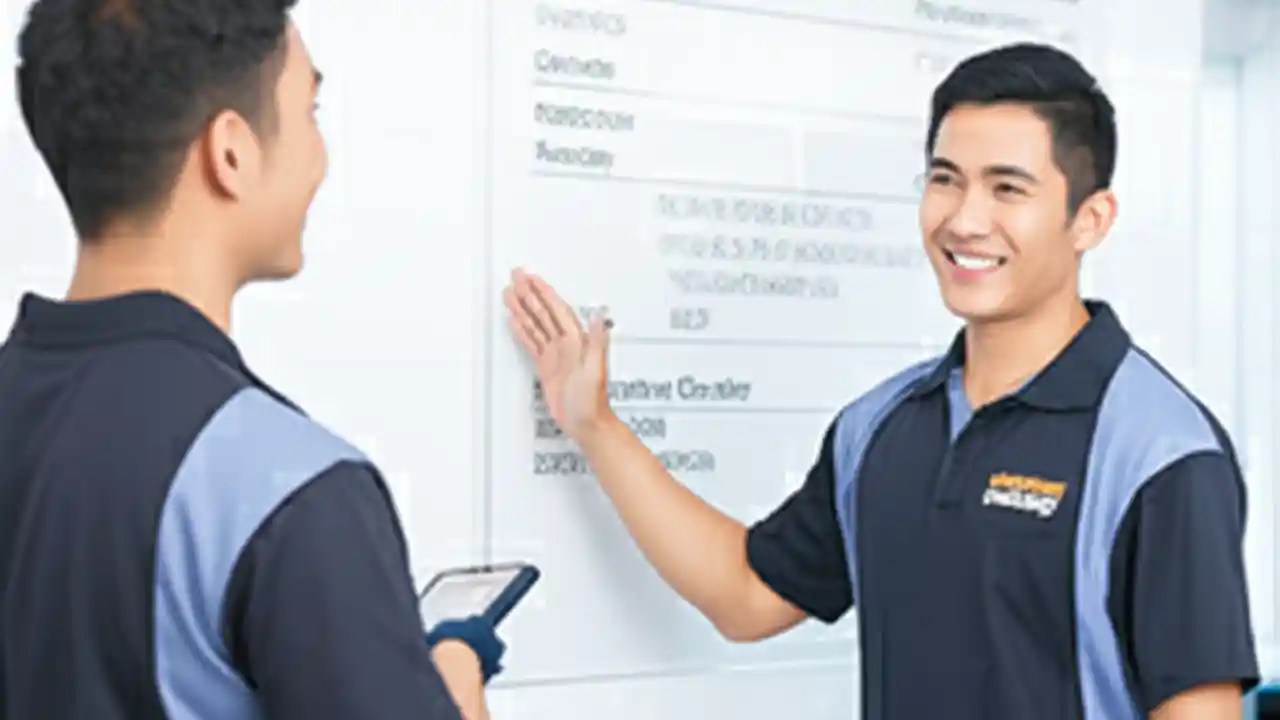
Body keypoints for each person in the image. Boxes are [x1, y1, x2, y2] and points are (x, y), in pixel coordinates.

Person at [504, 42, 1260, 719]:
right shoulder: (881, 427)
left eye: (1007, 189)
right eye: (945, 179)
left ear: (1089, 219)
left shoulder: (1160, 451)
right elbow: (744, 596)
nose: (964, 219)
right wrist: (595, 425)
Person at [0, 1, 503, 718]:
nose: (320, 155)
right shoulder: (289, 487)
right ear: (230, 153)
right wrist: (453, 685)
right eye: (310, 110)